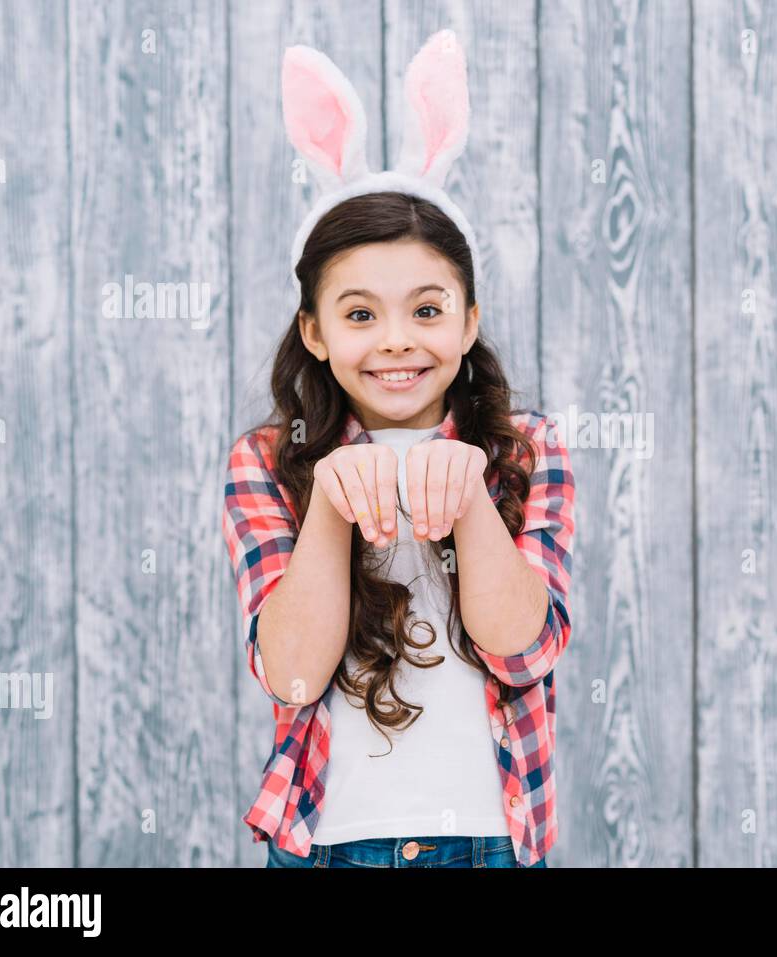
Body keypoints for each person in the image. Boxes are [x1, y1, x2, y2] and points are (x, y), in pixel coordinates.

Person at [222, 31, 573, 869]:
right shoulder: (268, 462)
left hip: (490, 841)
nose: (395, 343)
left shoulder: (528, 448)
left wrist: (476, 502)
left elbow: (524, 651)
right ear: (313, 329)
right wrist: (333, 510)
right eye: (358, 314)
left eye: (425, 309)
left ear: (468, 318)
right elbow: (295, 677)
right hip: (329, 843)